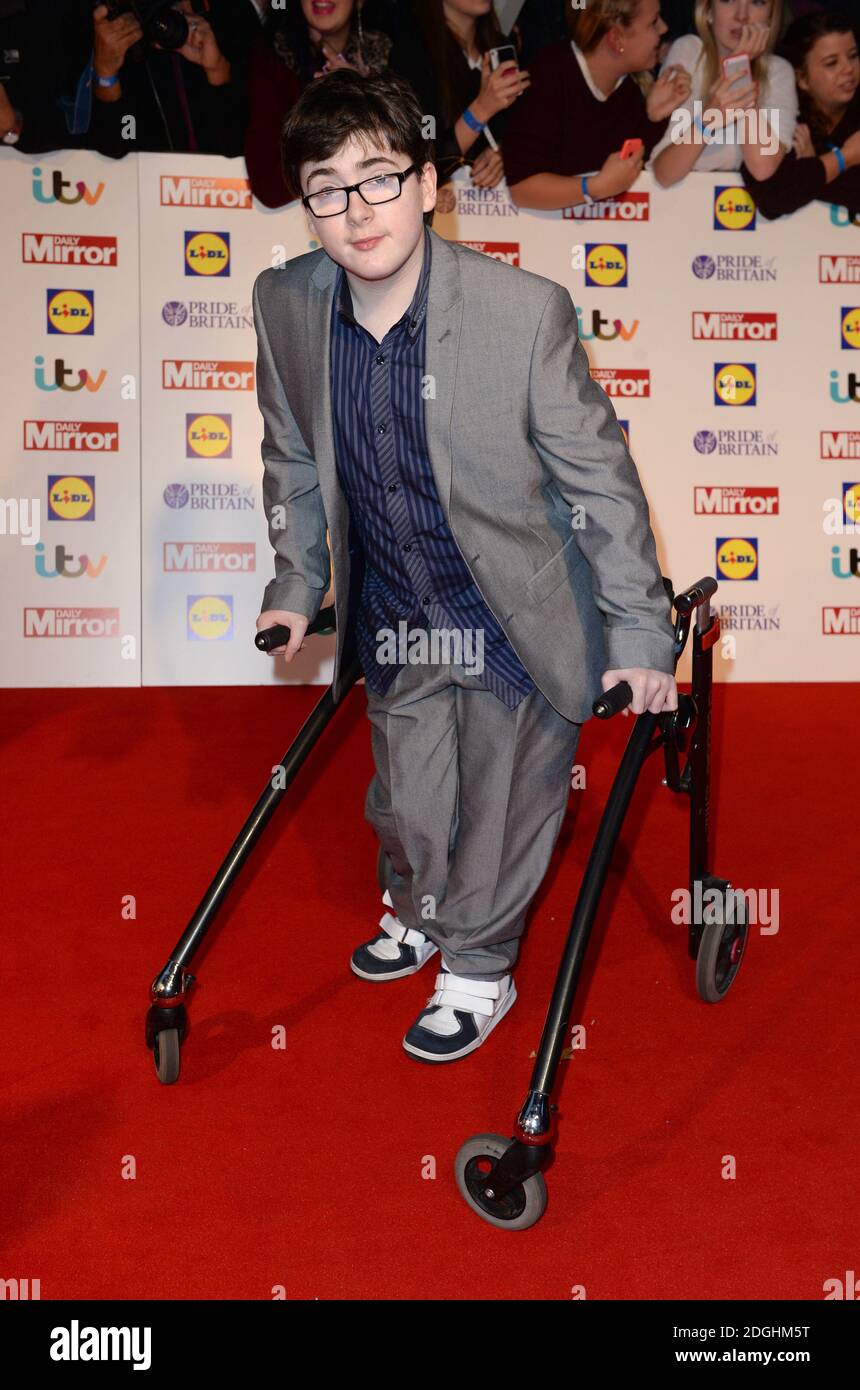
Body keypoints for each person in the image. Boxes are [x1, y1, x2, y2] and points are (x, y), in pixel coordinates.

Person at [252, 68, 678, 1064]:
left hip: (512, 610)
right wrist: (291, 585)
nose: (356, 212)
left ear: (428, 181)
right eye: (326, 187)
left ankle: (477, 965)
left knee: (496, 804)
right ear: (303, 205)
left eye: (379, 178)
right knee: (404, 803)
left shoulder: (519, 314)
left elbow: (601, 483)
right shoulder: (285, 306)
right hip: (396, 609)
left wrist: (638, 632)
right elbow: (292, 460)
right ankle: (415, 906)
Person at [503, 0, 692, 212]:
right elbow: (521, 188)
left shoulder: (630, 90)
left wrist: (652, 118)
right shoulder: (549, 75)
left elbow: (626, 171)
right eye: (653, 22)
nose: (664, 28)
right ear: (616, 38)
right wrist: (594, 187)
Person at [244, 0, 394, 208]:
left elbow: (406, 156)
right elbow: (269, 185)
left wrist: (360, 94)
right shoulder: (274, 56)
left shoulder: (391, 54)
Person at [649, 0, 798, 185]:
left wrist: (738, 67)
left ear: (771, 16)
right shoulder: (689, 51)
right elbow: (665, 174)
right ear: (708, 10)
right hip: (677, 201)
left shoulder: (779, 72)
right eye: (728, 0)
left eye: (757, 2)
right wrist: (709, 118)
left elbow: (762, 167)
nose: (742, 15)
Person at [69, 0, 243, 157]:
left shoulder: (228, 19)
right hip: (140, 183)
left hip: (215, 186)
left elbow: (235, 145)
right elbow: (118, 143)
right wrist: (106, 75)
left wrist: (217, 70)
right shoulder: (113, 29)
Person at [742, 9, 860, 216]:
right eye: (832, 63)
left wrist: (812, 169)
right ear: (802, 79)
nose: (848, 68)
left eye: (853, 56)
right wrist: (844, 158)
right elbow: (772, 197)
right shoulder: (786, 116)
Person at [410, 0, 531, 192]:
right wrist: (481, 109)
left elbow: (525, 130)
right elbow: (424, 157)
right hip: (443, 207)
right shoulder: (413, 53)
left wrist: (502, 150)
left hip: (497, 208)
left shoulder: (502, 47)